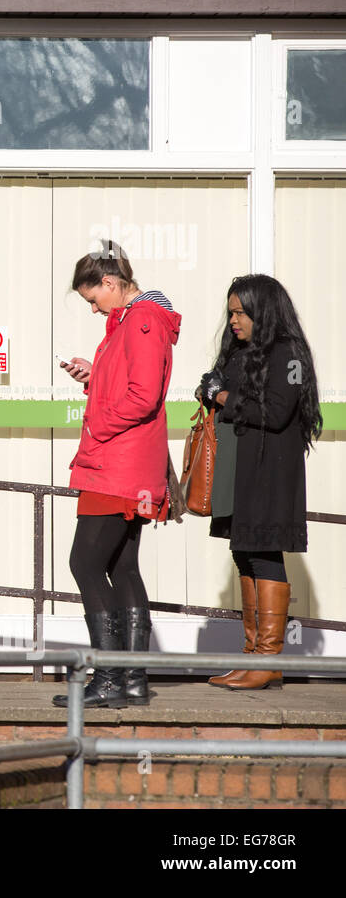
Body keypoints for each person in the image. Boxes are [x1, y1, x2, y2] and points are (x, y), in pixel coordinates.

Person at [54, 241, 180, 709]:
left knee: (84, 564)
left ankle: (108, 677)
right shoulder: (131, 321)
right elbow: (132, 383)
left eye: (93, 298)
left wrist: (98, 420)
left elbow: (144, 396)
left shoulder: (142, 320)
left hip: (117, 465)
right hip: (130, 464)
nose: (92, 308)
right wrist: (96, 373)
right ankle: (131, 680)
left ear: (111, 283)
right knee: (122, 566)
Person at [200, 275, 321, 691]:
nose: (233, 320)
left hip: (270, 473)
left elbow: (277, 411)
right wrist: (211, 387)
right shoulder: (240, 352)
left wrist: (221, 397)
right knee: (245, 554)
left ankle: (268, 659)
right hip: (241, 471)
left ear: (263, 312)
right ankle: (251, 656)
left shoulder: (287, 352)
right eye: (231, 312)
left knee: (265, 553)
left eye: (241, 312)